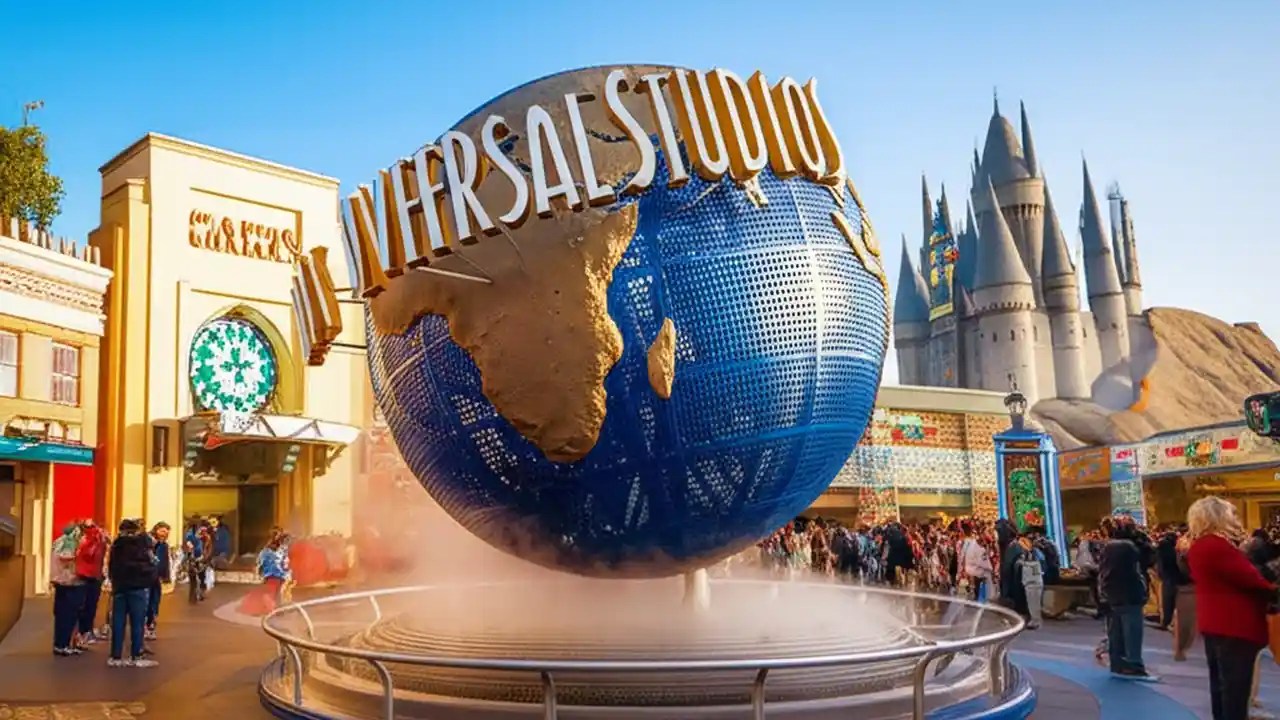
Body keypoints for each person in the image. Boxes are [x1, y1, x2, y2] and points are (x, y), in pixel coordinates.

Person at [1186, 497, 1276, 720]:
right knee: (1235, 692)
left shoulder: (1198, 546)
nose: (1235, 518)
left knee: (1221, 688)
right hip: (1235, 625)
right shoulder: (1217, 546)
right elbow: (1251, 580)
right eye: (1231, 514)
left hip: (1215, 623)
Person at [1098, 516, 1158, 681]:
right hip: (1131, 593)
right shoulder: (1131, 547)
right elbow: (1148, 560)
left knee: (1116, 631)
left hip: (1112, 593)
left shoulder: (1108, 547)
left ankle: (1118, 663)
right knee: (1132, 631)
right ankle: (1133, 664)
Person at [106, 519, 159, 668]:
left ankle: (115, 656)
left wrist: (114, 581)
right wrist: (149, 579)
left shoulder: (116, 545)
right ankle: (136, 655)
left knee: (118, 622)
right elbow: (151, 564)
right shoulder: (141, 545)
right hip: (138, 587)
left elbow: (111, 566)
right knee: (137, 623)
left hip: (120, 587)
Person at [50, 522, 85, 656]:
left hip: (60, 582)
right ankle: (63, 644)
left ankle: (60, 643)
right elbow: (65, 558)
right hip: (70, 583)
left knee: (61, 615)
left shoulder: (58, 541)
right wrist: (79, 557)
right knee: (68, 615)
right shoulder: (69, 543)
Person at [73, 519, 108, 648]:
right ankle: (84, 632)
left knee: (86, 606)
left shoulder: (88, 540)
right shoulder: (93, 540)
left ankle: (84, 632)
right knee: (88, 606)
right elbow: (91, 555)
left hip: (87, 575)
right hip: (90, 575)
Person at [145, 523, 172, 640]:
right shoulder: (149, 543)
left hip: (156, 578)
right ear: (156, 530)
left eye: (166, 532)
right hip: (147, 577)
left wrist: (166, 576)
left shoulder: (164, 545)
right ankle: (146, 625)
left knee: (155, 601)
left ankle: (151, 624)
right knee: (147, 601)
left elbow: (165, 561)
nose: (164, 534)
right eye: (162, 531)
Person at [1016, 535, 1045, 629]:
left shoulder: (1034, 554)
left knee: (1035, 603)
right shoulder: (1027, 554)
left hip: (1033, 582)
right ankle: (1034, 620)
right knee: (1031, 603)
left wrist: (1023, 563)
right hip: (1029, 582)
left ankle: (1036, 621)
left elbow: (1035, 566)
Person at [959, 523, 993, 602]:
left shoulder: (970, 542)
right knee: (977, 580)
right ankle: (977, 595)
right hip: (975, 565)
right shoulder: (970, 542)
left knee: (979, 580)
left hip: (977, 564)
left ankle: (978, 595)